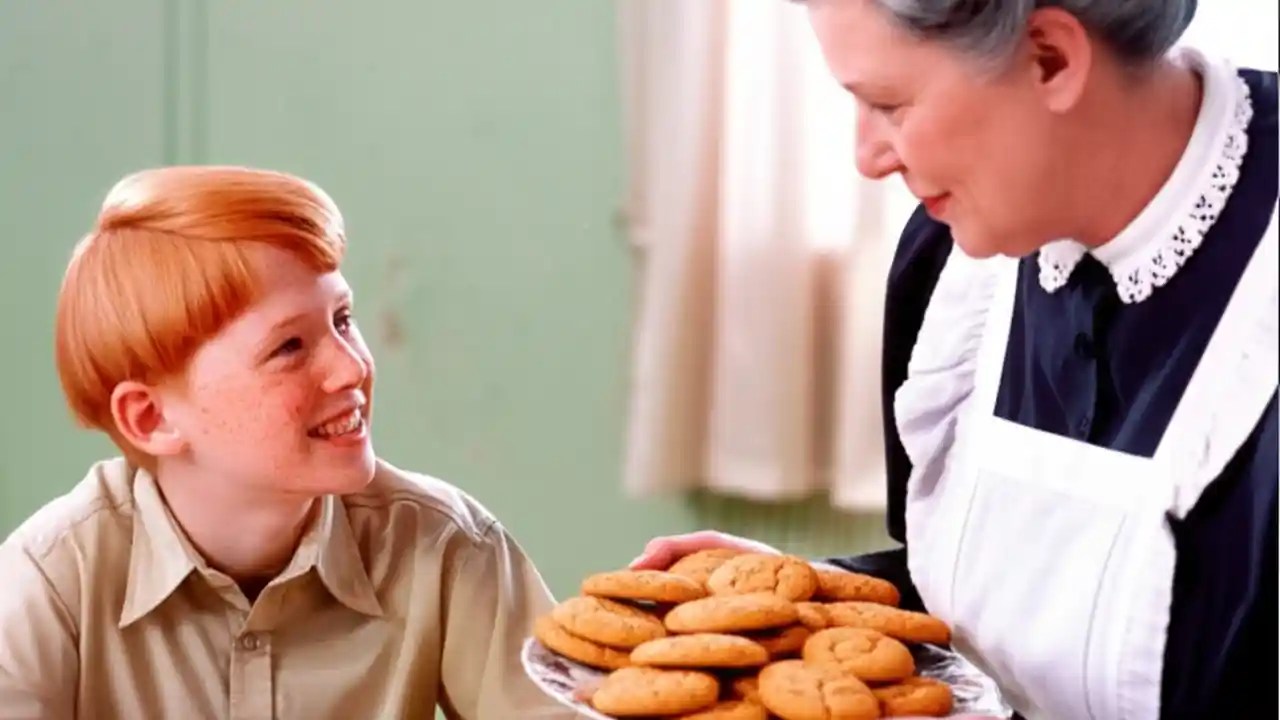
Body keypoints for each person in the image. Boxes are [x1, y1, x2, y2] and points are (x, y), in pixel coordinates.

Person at [632, 1, 1277, 718]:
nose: (868, 158)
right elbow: (977, 617)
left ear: (1051, 59)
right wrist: (813, 599)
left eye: (888, 104)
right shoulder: (950, 259)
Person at [0, 166, 578, 719]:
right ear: (151, 417)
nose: (352, 369)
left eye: (344, 319)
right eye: (290, 347)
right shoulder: (50, 583)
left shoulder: (447, 548)